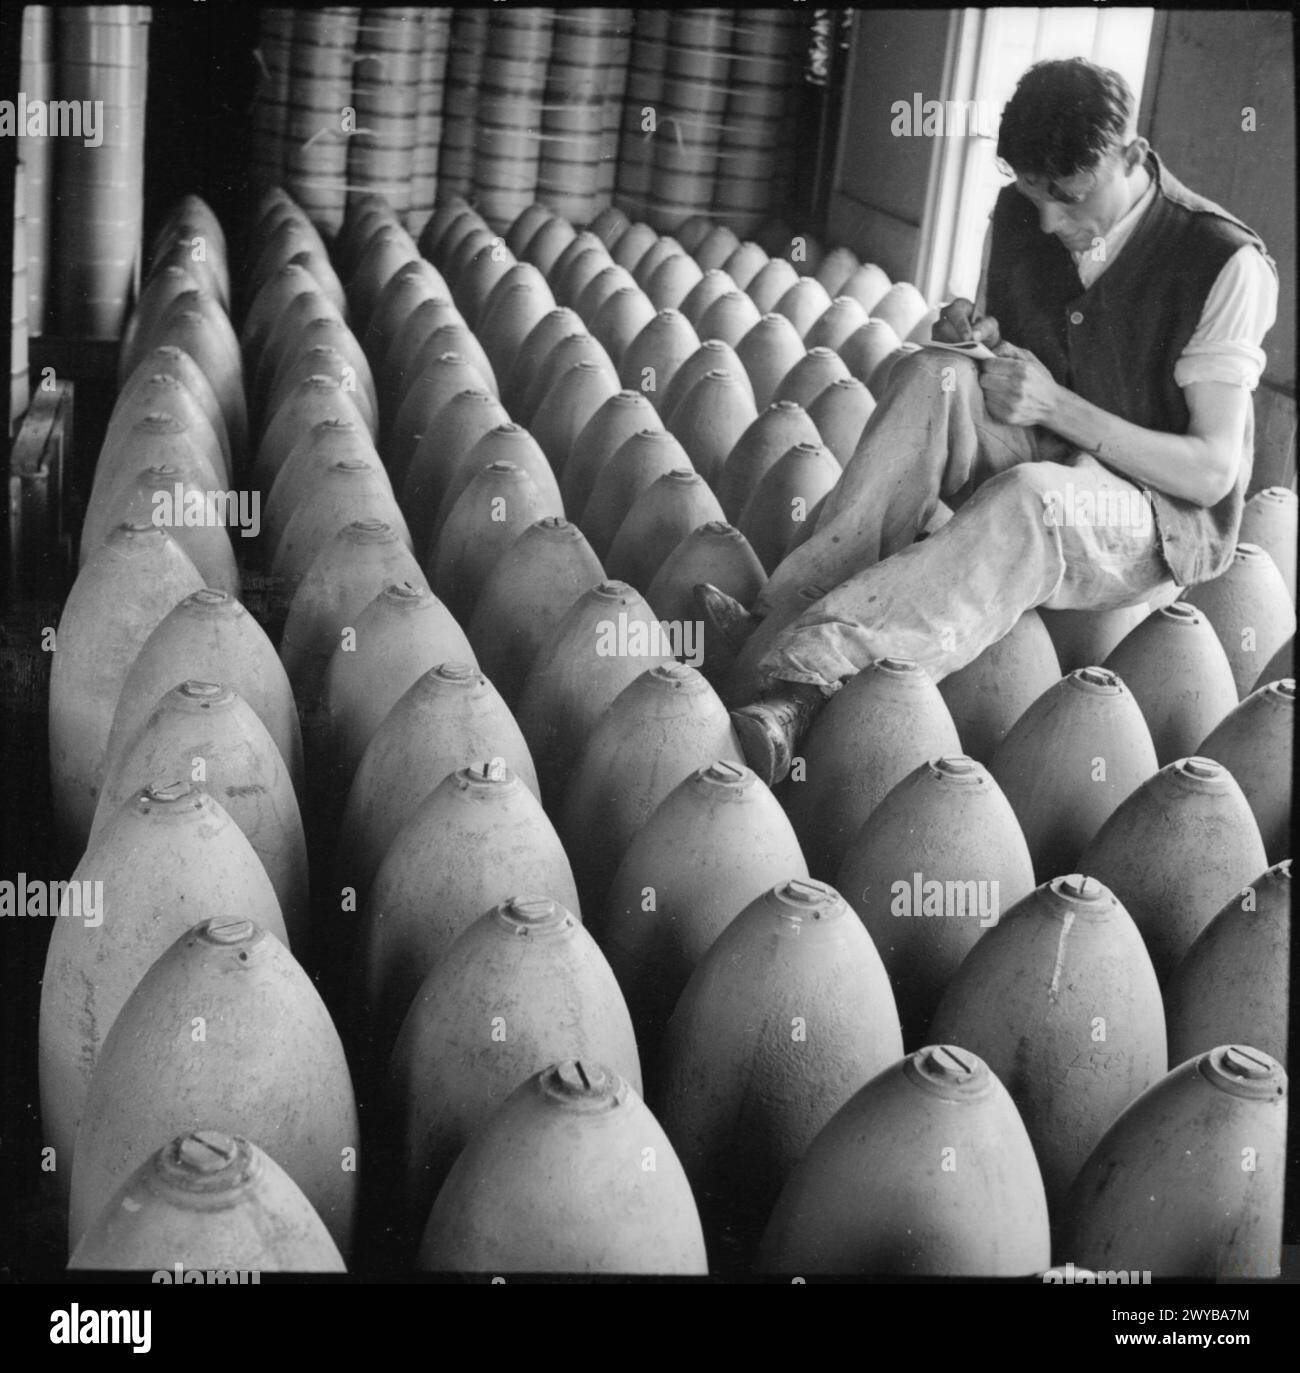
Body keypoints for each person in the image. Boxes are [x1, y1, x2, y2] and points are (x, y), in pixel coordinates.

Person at [700, 57, 1279, 786]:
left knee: (1031, 500)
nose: (1048, 221)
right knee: (927, 374)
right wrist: (976, 337)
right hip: (1048, 445)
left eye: (1068, 197)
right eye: (1032, 195)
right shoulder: (1023, 215)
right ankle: (775, 622)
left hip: (1156, 515)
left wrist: (1054, 406)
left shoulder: (1223, 263)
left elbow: (1210, 470)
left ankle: (807, 678)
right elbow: (1016, 351)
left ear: (1130, 157)